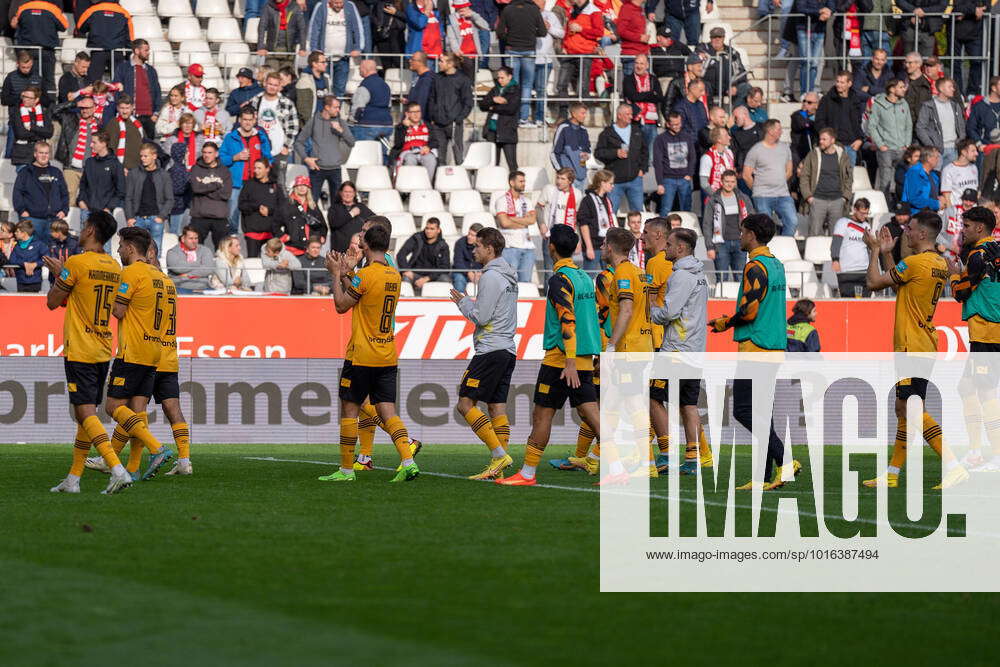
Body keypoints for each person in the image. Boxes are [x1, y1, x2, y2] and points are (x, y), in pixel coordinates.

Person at [862, 211, 967, 489]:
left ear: (922, 234)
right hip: (923, 342)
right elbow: (903, 288)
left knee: (910, 406)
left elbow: (873, 283)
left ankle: (954, 465)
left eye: (910, 228)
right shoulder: (938, 262)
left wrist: (873, 251)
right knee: (903, 408)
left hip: (911, 343)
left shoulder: (915, 263)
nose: (905, 232)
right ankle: (893, 473)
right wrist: (888, 255)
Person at [496, 225, 600, 486]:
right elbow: (594, 319)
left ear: (551, 247)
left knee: (542, 415)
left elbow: (568, 320)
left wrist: (570, 361)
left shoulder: (559, 280)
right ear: (575, 248)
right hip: (585, 358)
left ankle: (528, 474)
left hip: (561, 360)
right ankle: (619, 469)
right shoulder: (586, 278)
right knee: (595, 417)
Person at [42, 211, 133, 494]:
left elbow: (52, 302)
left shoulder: (76, 263)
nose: (80, 231)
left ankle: (117, 469)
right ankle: (74, 478)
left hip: (80, 347)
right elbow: (88, 297)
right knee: (87, 414)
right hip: (104, 346)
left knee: (83, 410)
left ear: (91, 229)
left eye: (83, 227)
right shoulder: (114, 266)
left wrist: (61, 274)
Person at [321, 224, 420, 483]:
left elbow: (342, 305)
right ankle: (408, 462)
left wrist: (335, 274)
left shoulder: (366, 276)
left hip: (362, 354)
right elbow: (363, 293)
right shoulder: (394, 276)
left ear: (366, 246)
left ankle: (345, 470)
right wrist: (348, 273)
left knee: (350, 409)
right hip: (386, 353)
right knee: (388, 410)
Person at [708, 213, 799, 490]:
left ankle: (786, 460)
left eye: (742, 231)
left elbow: (749, 312)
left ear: (752, 235)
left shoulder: (755, 267)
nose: (739, 236)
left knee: (743, 411)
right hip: (774, 346)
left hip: (756, 346)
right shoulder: (776, 265)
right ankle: (763, 476)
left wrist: (725, 322)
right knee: (762, 412)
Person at [103, 226, 175, 482]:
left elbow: (119, 312)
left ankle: (156, 448)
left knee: (113, 406)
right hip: (156, 351)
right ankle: (133, 468)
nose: (119, 250)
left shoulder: (131, 273)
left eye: (121, 245)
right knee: (137, 409)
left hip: (132, 351)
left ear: (131, 248)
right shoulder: (165, 280)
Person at [446, 226, 519, 478]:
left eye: (477, 246)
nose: (473, 249)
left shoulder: (490, 277)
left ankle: (499, 455)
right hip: (508, 349)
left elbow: (482, 316)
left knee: (465, 404)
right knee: (497, 407)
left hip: (490, 349)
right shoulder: (510, 275)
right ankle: (499, 468)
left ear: (489, 248)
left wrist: (463, 302)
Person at [649, 225, 714, 471]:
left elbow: (669, 312)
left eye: (669, 245)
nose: (665, 248)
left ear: (680, 248)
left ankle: (666, 454)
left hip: (676, 349)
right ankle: (692, 458)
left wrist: (648, 311)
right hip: (695, 350)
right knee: (688, 404)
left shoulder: (681, 275)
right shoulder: (699, 274)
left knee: (653, 398)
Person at [949, 206, 1000, 471]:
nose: (963, 230)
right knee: (966, 387)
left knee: (984, 389)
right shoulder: (993, 250)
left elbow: (961, 293)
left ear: (979, 228)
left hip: (987, 329)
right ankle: (975, 452)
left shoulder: (979, 255)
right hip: (987, 329)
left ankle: (996, 455)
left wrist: (953, 273)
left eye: (966, 225)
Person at [220, 108, 273, 236]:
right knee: (232, 215)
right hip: (236, 184)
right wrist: (234, 157)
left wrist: (266, 171)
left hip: (255, 184)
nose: (247, 123)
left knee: (255, 215)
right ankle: (232, 240)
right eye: (245, 120)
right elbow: (221, 159)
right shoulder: (230, 137)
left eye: (250, 120)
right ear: (239, 120)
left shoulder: (261, 137)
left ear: (255, 120)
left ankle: (252, 242)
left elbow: (268, 158)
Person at [295, 95, 354, 204]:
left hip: (335, 169)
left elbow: (351, 142)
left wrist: (341, 130)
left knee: (337, 205)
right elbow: (299, 142)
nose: (338, 110)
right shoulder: (313, 122)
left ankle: (336, 222)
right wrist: (306, 158)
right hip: (317, 169)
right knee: (312, 202)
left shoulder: (340, 122)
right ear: (327, 107)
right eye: (336, 107)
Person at [742, 119, 796, 236]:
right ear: (770, 131)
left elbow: (789, 171)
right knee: (765, 227)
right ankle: (770, 251)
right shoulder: (756, 150)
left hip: (783, 195)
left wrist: (779, 182)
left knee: (792, 221)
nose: (781, 132)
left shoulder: (785, 148)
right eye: (779, 129)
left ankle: (784, 247)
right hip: (762, 196)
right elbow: (746, 175)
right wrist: (757, 189)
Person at [495, 0, 546, 122]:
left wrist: (510, 39)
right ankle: (523, 118)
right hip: (529, 50)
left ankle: (513, 115)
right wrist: (531, 35)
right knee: (527, 85)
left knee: (512, 84)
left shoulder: (507, 9)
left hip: (511, 50)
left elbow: (500, 32)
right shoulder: (534, 10)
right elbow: (543, 32)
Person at [13, 141, 68, 250]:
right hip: (33, 219)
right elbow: (17, 192)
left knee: (50, 252)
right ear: (35, 154)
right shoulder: (25, 172)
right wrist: (22, 210)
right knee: (31, 251)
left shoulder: (56, 172)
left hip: (53, 220)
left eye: (46, 153)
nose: (44, 156)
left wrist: (64, 210)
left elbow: (64, 193)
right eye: (41, 153)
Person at [595, 103, 647, 217]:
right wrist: (615, 153)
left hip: (635, 179)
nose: (631, 117)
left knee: (638, 214)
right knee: (610, 213)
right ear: (619, 115)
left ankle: (638, 235)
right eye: (627, 114)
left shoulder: (637, 131)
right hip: (614, 181)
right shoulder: (607, 133)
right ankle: (610, 234)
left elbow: (645, 152)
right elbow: (598, 153)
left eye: (631, 114)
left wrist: (643, 169)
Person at [799, 127, 853, 236]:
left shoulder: (842, 155)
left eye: (824, 139)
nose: (821, 142)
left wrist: (845, 197)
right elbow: (804, 176)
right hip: (817, 199)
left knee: (837, 235)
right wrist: (809, 197)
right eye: (820, 139)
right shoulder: (813, 155)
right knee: (814, 234)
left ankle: (834, 254)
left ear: (832, 140)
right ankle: (814, 254)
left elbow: (849, 177)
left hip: (837, 200)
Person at [702, 168, 754, 280]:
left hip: (740, 243)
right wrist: (709, 247)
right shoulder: (713, 200)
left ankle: (740, 298)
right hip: (720, 244)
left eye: (732, 182)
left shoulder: (743, 198)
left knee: (740, 277)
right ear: (721, 181)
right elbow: (707, 224)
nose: (729, 184)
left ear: (735, 182)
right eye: (727, 181)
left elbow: (751, 220)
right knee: (721, 278)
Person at [248, 72, 299, 184]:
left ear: (280, 86)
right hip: (260, 148)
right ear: (265, 83)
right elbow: (249, 121)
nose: (272, 87)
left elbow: (293, 127)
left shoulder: (287, 103)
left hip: (279, 150)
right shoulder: (256, 100)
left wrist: (286, 146)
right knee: (257, 182)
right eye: (270, 84)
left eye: (275, 85)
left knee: (279, 183)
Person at [555, 0, 602, 120]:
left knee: (583, 87)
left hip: (585, 53)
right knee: (561, 85)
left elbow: (599, 32)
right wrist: (564, 46)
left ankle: (582, 117)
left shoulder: (594, 10)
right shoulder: (572, 10)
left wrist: (582, 29)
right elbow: (567, 31)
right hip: (570, 52)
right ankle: (563, 115)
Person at [124, 142, 173, 251]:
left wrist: (161, 217)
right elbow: (128, 197)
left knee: (154, 254)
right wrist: (130, 217)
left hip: (156, 219)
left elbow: (169, 199)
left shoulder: (164, 175)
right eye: (141, 156)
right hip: (138, 219)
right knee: (136, 253)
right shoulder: (134, 173)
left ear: (154, 156)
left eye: (145, 156)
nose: (143, 159)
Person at [427, 52, 474, 165]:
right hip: (438, 123)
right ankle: (439, 180)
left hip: (453, 123)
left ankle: (462, 179)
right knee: (440, 156)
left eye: (442, 61)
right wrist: (432, 115)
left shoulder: (462, 79)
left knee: (458, 154)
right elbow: (432, 98)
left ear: (451, 63)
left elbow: (468, 101)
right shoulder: (437, 78)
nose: (439, 63)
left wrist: (459, 118)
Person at [867, 78, 913, 195]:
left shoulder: (904, 103)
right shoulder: (878, 105)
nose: (904, 89)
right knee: (885, 182)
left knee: (902, 181)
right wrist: (881, 145)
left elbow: (909, 125)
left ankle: (900, 207)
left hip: (902, 149)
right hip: (886, 150)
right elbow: (872, 126)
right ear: (892, 89)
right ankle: (886, 208)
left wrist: (906, 144)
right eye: (901, 87)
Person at [11, 0, 64, 97]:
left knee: (30, 80)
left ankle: (29, 107)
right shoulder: (53, 9)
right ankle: (49, 107)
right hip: (47, 51)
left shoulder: (23, 8)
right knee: (48, 80)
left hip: (28, 51)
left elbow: (13, 24)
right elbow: (64, 26)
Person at [491, 170, 537, 282]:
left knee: (525, 283)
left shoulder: (527, 200)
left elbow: (532, 220)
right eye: (521, 181)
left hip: (528, 247)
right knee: (509, 282)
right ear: (512, 183)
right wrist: (523, 221)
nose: (524, 184)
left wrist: (512, 218)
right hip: (510, 247)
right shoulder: (502, 201)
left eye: (524, 181)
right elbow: (504, 223)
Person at [814, 70, 864, 166]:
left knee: (848, 179)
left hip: (851, 146)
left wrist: (860, 140)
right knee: (832, 177)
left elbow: (858, 123)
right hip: (833, 145)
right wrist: (828, 139)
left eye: (842, 82)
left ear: (849, 84)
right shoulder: (827, 100)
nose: (838, 85)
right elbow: (819, 122)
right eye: (837, 81)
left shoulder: (855, 100)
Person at [112, 38, 160, 139]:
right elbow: (116, 90)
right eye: (146, 50)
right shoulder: (123, 68)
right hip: (130, 116)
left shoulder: (151, 70)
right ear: (137, 51)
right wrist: (122, 112)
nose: (148, 53)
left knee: (148, 148)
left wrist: (155, 114)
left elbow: (157, 92)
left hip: (149, 118)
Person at [189, 142, 233, 250]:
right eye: (204, 152)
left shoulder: (224, 171)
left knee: (222, 251)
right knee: (195, 250)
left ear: (216, 154)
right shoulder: (196, 169)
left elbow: (226, 194)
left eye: (210, 152)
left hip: (219, 216)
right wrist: (216, 185)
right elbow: (196, 188)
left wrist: (204, 188)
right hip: (199, 216)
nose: (206, 155)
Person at [75, 0, 133, 83]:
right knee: (119, 83)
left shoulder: (92, 10)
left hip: (98, 51)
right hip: (117, 52)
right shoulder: (124, 13)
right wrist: (128, 54)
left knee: (93, 82)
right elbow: (130, 37)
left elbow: (80, 26)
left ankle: (93, 95)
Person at [915, 77, 966, 168]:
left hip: (953, 149)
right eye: (950, 87)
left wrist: (960, 140)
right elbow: (920, 128)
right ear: (941, 89)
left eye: (953, 87)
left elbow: (961, 125)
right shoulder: (928, 106)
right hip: (936, 151)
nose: (953, 89)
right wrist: (931, 146)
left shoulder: (955, 106)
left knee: (950, 179)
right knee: (935, 178)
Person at [652, 111, 696, 215]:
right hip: (668, 179)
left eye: (679, 123)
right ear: (668, 124)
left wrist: (690, 174)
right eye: (674, 124)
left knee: (686, 209)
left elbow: (692, 157)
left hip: (684, 179)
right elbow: (658, 162)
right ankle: (662, 230)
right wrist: (660, 183)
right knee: (665, 209)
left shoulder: (687, 137)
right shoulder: (660, 139)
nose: (677, 127)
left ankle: (686, 230)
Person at [623, 54, 663, 167]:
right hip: (635, 121)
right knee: (635, 154)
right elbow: (632, 96)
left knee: (651, 156)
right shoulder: (628, 79)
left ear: (647, 65)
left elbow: (659, 97)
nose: (639, 66)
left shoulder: (653, 79)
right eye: (636, 63)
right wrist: (650, 94)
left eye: (641, 63)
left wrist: (641, 95)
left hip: (651, 121)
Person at [238, 158, 282, 258]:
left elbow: (282, 208)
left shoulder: (275, 186)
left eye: (259, 168)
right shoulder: (249, 184)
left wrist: (269, 211)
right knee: (252, 262)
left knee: (270, 262)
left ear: (267, 169)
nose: (256, 171)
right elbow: (241, 205)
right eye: (255, 168)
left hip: (270, 232)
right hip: (252, 232)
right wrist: (257, 207)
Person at [479, 66, 520, 171]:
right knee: (492, 164)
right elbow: (482, 105)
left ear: (509, 77)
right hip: (492, 131)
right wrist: (494, 99)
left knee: (512, 164)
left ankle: (514, 185)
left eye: (502, 78)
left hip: (507, 130)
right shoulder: (495, 89)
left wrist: (493, 107)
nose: (499, 80)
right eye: (498, 78)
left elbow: (511, 109)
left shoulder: (515, 90)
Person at [787, 0, 832, 96]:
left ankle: (810, 91)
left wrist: (829, 11)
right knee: (806, 62)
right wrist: (819, 11)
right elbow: (801, 7)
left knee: (815, 63)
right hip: (803, 29)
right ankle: (804, 92)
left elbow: (831, 4)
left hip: (819, 29)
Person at [349, 59, 393, 154]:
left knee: (365, 154)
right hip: (386, 124)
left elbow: (358, 108)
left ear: (365, 69)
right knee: (382, 155)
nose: (359, 70)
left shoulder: (365, 85)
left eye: (360, 68)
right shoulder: (386, 85)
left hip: (367, 125)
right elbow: (389, 105)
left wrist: (352, 120)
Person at [831, 197, 873, 297]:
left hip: (864, 271)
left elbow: (869, 249)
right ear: (854, 209)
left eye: (866, 213)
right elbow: (836, 242)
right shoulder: (843, 222)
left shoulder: (867, 226)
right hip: (847, 271)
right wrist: (835, 260)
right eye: (862, 213)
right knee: (848, 301)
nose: (864, 216)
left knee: (865, 303)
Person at [277, 175, 328, 256]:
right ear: (295, 187)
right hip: (292, 249)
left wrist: (322, 236)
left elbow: (322, 225)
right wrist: (284, 237)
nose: (302, 188)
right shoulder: (287, 204)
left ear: (308, 188)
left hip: (310, 250)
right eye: (299, 185)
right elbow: (274, 224)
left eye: (305, 185)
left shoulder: (313, 205)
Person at [577, 168, 616, 272]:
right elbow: (583, 224)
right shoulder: (587, 200)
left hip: (606, 246)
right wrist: (589, 247)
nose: (613, 186)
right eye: (610, 183)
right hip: (593, 246)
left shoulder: (607, 200)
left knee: (609, 277)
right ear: (602, 183)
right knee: (589, 278)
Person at [697, 25, 748, 105]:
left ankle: (737, 112)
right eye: (714, 37)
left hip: (728, 86)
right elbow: (696, 66)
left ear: (723, 38)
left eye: (719, 37)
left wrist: (734, 86)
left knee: (745, 87)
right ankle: (708, 113)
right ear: (710, 38)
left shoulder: (732, 52)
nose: (717, 39)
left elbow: (742, 72)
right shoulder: (702, 48)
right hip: (710, 85)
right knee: (703, 86)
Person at [389, 101, 438, 183]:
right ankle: (409, 187)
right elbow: (398, 144)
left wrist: (428, 147)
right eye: (413, 112)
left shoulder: (427, 126)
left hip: (423, 152)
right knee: (410, 159)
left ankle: (427, 185)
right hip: (408, 152)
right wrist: (404, 128)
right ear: (407, 114)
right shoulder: (401, 127)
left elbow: (435, 142)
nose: (416, 114)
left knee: (431, 159)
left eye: (418, 111)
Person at [550, 102, 591, 190]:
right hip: (569, 180)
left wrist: (587, 155)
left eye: (585, 113)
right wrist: (562, 173)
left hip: (583, 178)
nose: (585, 116)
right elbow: (554, 153)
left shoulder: (584, 130)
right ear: (573, 113)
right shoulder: (563, 128)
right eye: (582, 113)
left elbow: (588, 150)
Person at [9, 85, 53, 168]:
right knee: (25, 180)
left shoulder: (43, 112)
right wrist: (41, 133)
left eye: (29, 98)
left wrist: (32, 127)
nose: (25, 99)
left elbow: (49, 132)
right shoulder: (17, 112)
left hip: (40, 155)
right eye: (24, 96)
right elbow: (21, 134)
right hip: (22, 155)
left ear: (36, 100)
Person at [256, 0, 307, 66]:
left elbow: (302, 28)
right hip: (272, 51)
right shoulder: (268, 6)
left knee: (286, 75)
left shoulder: (294, 7)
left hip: (289, 51)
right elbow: (262, 27)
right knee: (273, 74)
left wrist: (302, 48)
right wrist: (260, 47)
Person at [166, 225, 215, 293]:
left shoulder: (205, 250)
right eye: (191, 238)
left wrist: (188, 275)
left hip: (203, 287)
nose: (194, 241)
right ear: (183, 239)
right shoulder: (173, 252)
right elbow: (178, 268)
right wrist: (198, 264)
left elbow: (209, 269)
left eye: (196, 238)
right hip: (180, 287)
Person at [328, 181, 373, 253]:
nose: (348, 194)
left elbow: (375, 221)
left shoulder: (361, 207)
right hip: (340, 252)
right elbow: (334, 223)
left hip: (359, 251)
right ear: (340, 193)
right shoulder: (334, 208)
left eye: (350, 192)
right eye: (345, 191)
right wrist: (351, 214)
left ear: (354, 193)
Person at [107, 94, 145, 171]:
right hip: (122, 167)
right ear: (117, 108)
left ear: (132, 108)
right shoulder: (113, 123)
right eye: (122, 108)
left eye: (127, 108)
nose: (124, 111)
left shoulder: (137, 124)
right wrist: (120, 167)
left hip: (138, 166)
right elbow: (111, 148)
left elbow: (143, 142)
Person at [901, 146, 944, 214]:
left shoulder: (933, 175)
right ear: (928, 159)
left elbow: (931, 194)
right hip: (917, 216)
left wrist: (940, 198)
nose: (938, 160)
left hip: (931, 214)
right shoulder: (914, 173)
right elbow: (914, 198)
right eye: (936, 157)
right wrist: (936, 204)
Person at [6, 219, 45, 292]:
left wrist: (35, 264)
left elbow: (46, 258)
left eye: (17, 231)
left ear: (24, 233)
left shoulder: (39, 244)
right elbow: (12, 260)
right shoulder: (17, 246)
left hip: (35, 281)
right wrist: (24, 264)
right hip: (21, 281)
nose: (15, 233)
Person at [295, 51, 331, 124]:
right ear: (314, 64)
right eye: (323, 62)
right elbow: (303, 108)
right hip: (311, 123)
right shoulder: (304, 81)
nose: (326, 64)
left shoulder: (326, 78)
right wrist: (311, 124)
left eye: (326, 62)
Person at [699, 125, 735, 197]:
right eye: (726, 135)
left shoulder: (729, 153)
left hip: (729, 195)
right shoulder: (707, 157)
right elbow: (703, 183)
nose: (729, 137)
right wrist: (716, 196)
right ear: (719, 140)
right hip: (714, 197)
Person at [902, 52, 933, 128]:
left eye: (910, 63)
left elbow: (919, 111)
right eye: (905, 62)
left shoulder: (923, 85)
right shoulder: (904, 80)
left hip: (915, 127)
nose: (906, 65)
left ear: (918, 64)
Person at [451, 222, 484, 293]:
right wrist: (469, 273)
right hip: (461, 272)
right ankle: (460, 301)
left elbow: (488, 262)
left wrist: (482, 272)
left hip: (479, 273)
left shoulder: (485, 245)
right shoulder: (460, 243)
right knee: (459, 279)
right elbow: (458, 263)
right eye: (469, 233)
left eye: (472, 235)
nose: (469, 236)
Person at [404, 50, 435, 119]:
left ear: (420, 62)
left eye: (412, 59)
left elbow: (422, 102)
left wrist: (416, 120)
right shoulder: (419, 77)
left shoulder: (427, 79)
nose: (409, 61)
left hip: (418, 122)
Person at [789, 92, 818, 165]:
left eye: (809, 102)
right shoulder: (797, 115)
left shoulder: (820, 116)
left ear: (816, 105)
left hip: (813, 150)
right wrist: (813, 122)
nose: (805, 104)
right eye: (804, 101)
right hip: (798, 152)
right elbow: (802, 124)